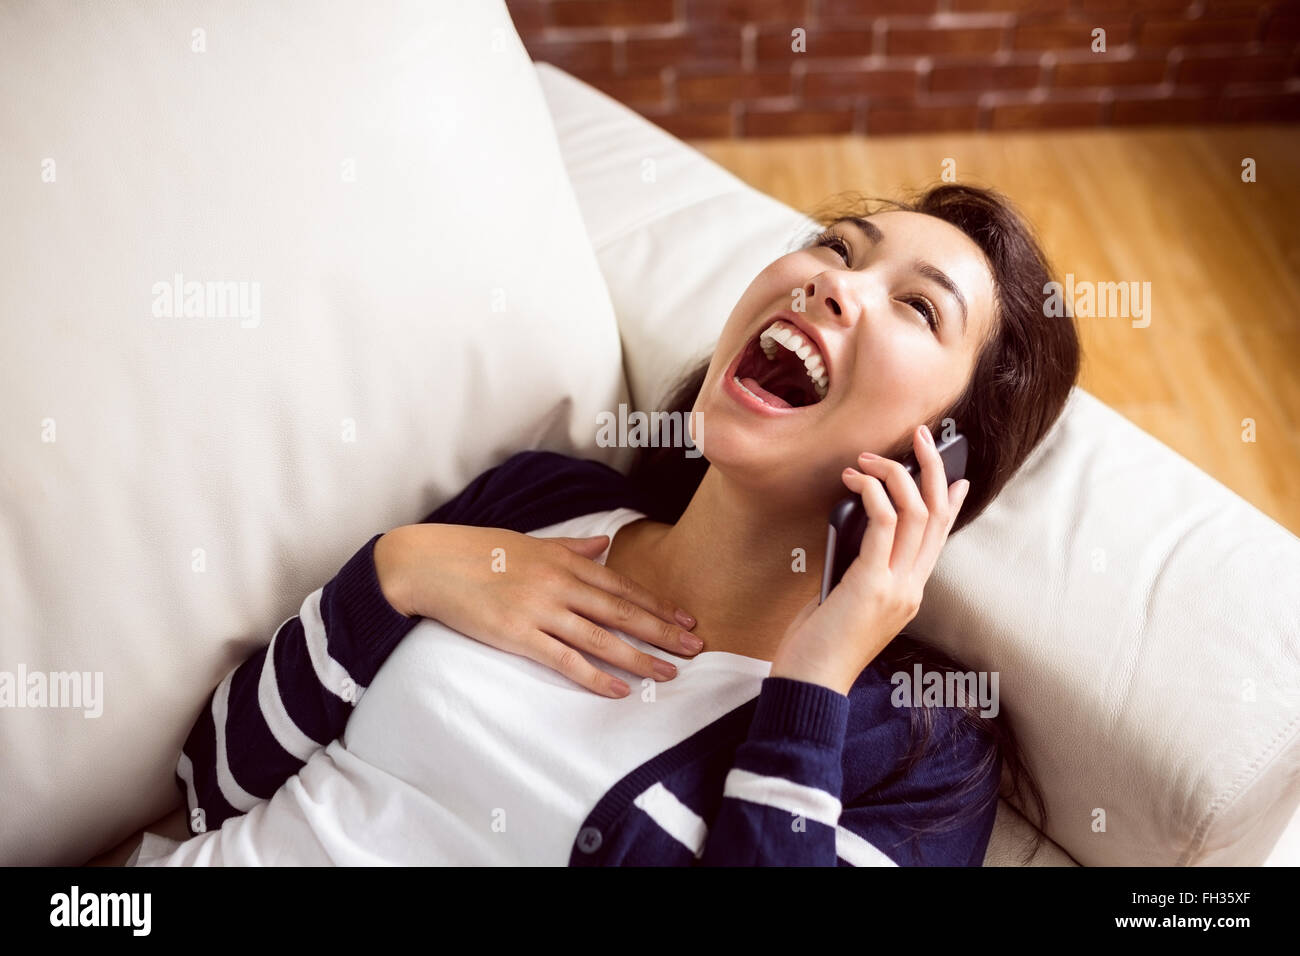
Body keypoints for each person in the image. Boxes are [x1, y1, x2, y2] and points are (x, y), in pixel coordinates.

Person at [133, 182, 1076, 867]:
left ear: (940, 459)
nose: (835, 284)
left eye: (917, 307)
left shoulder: (913, 750)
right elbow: (212, 785)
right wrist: (394, 572)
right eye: (838, 247)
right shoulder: (539, 504)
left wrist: (812, 685)